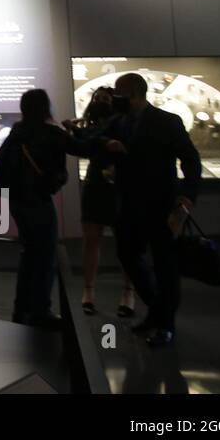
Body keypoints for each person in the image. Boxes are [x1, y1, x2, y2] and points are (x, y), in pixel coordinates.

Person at [106, 72, 201, 348]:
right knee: (127, 254)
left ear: (134, 93)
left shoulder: (167, 122)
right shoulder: (119, 122)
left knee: (165, 265)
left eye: (119, 92)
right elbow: (97, 142)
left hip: (161, 206)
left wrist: (187, 197)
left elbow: (190, 159)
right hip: (129, 205)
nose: (115, 97)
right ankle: (158, 311)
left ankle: (165, 324)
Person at [0, 88, 98, 329]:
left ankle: (21, 309)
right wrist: (76, 130)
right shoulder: (52, 132)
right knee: (45, 256)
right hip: (38, 200)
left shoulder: (17, 132)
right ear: (45, 107)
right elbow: (83, 149)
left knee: (29, 254)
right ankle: (41, 311)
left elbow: (0, 161)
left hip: (17, 200)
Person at [68, 87, 137, 317]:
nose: (100, 102)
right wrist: (75, 132)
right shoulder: (91, 126)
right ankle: (88, 291)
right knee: (91, 239)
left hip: (121, 184)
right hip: (96, 183)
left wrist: (79, 132)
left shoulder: (125, 123)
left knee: (126, 242)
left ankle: (128, 292)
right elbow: (85, 148)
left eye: (105, 99)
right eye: (97, 98)